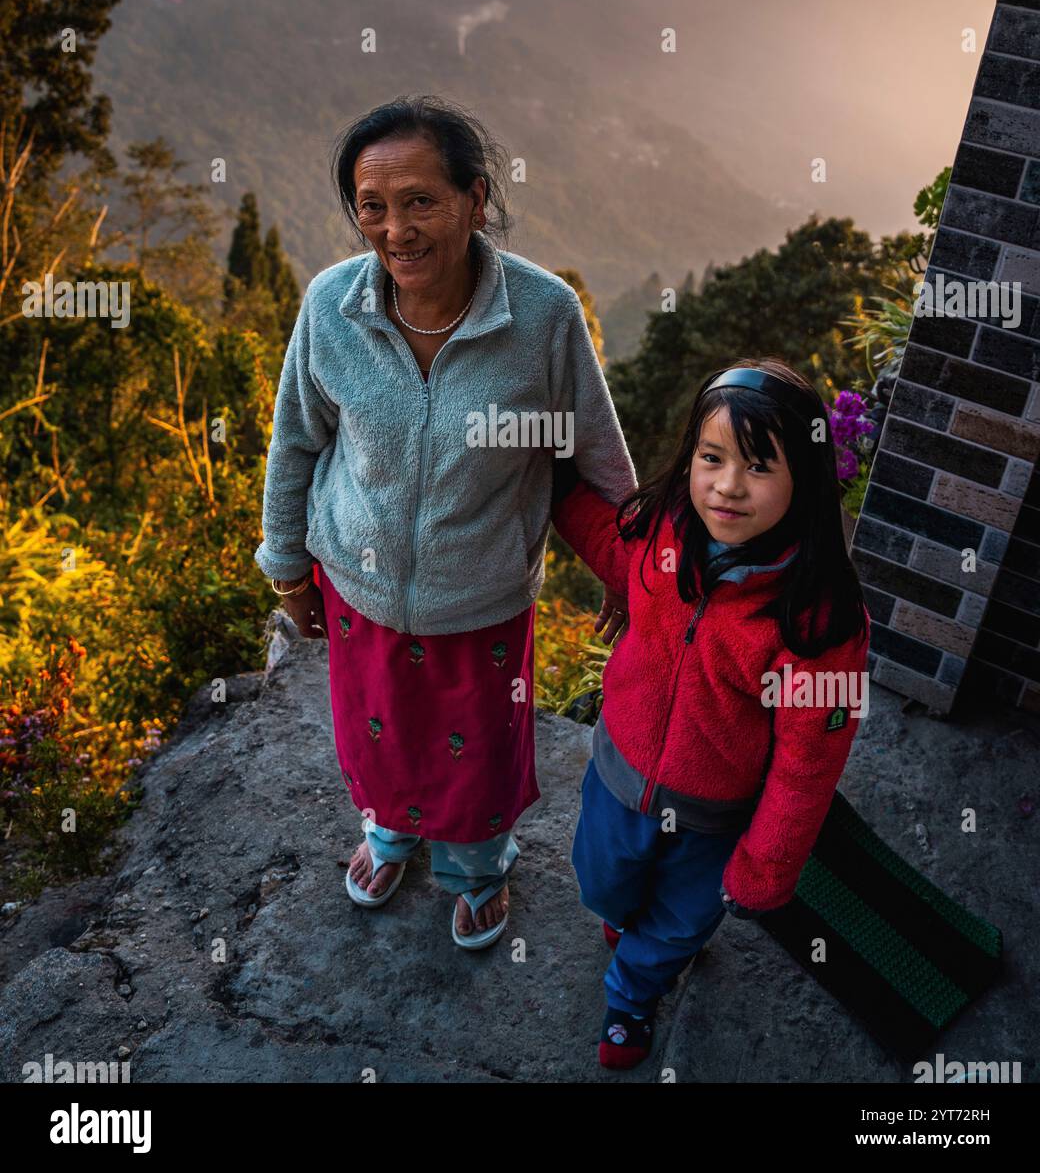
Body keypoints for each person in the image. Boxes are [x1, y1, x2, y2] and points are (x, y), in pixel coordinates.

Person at [254, 94, 635, 948]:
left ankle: (475, 864)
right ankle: (389, 828)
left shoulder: (541, 317)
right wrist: (286, 568)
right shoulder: (331, 309)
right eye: (373, 207)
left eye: (421, 201)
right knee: (378, 732)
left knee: (479, 750)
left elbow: (598, 461)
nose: (396, 231)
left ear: (476, 200)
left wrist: (630, 570)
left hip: (483, 598)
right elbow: (295, 444)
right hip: (358, 584)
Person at [550, 358, 871, 1067]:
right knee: (602, 882)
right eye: (712, 458)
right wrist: (555, 484)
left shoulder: (817, 617)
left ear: (806, 480)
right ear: (689, 457)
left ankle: (631, 1000)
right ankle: (624, 923)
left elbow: (808, 763)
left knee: (678, 926)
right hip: (618, 776)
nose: (727, 486)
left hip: (713, 815)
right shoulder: (665, 535)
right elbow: (610, 545)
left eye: (759, 467)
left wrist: (767, 865)